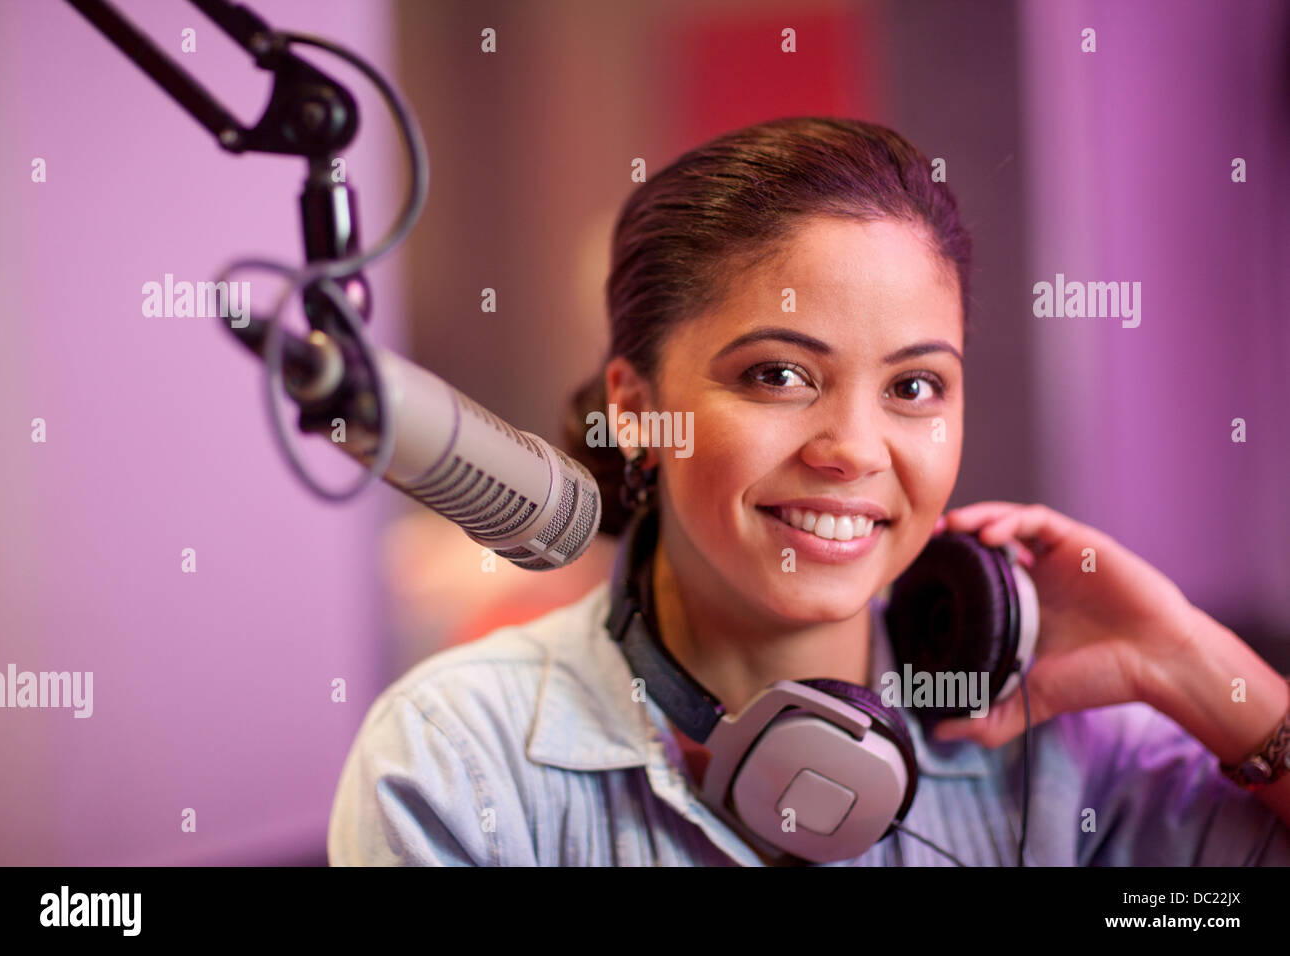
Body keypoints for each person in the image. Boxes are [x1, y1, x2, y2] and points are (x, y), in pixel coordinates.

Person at [327, 117, 1290, 866]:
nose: (853, 450)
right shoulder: (460, 758)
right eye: (778, 375)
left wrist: (1194, 664)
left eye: (914, 387)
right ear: (635, 406)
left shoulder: (1069, 746)